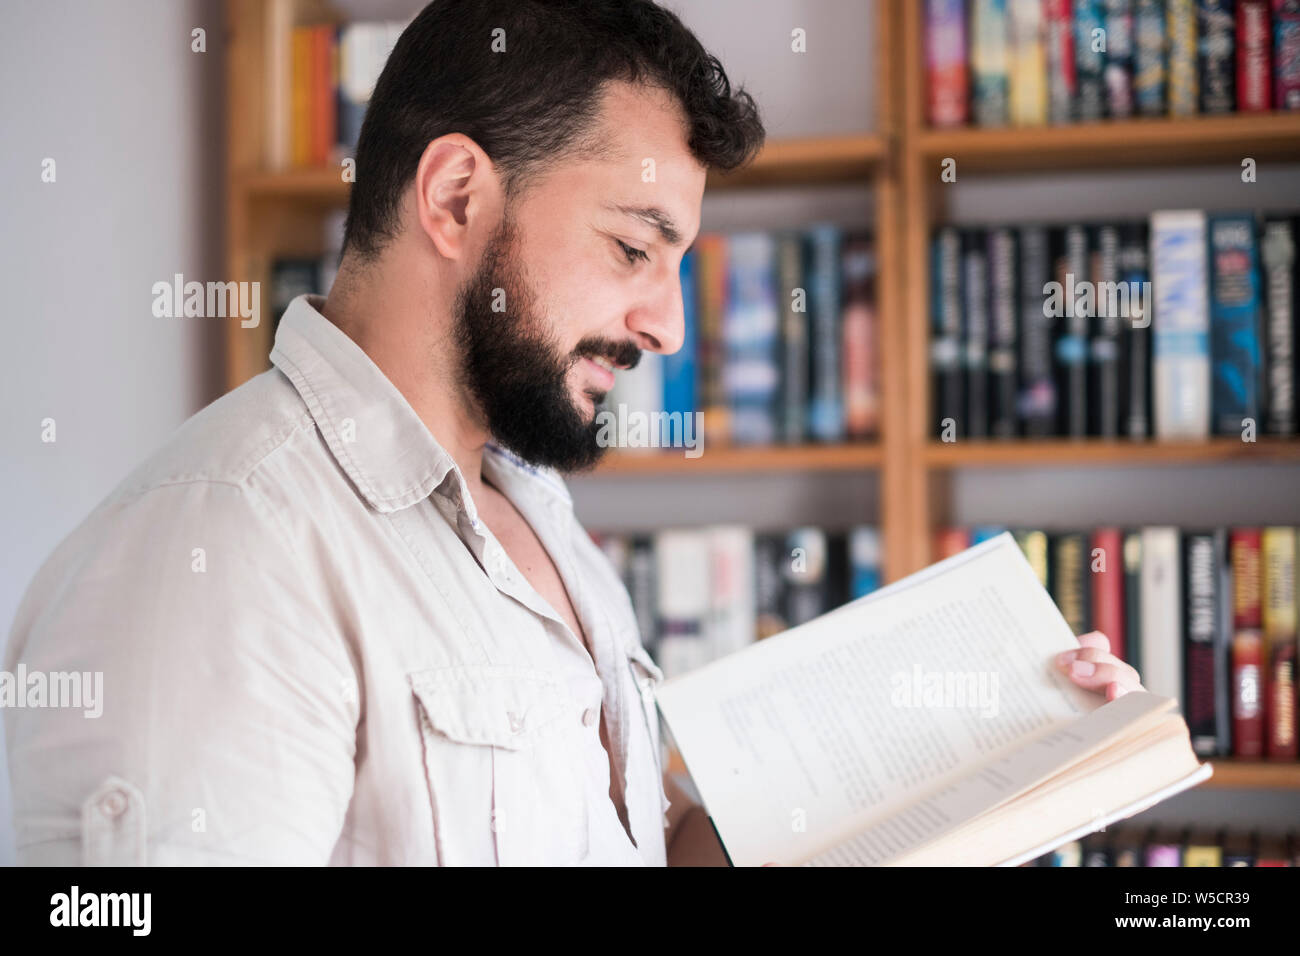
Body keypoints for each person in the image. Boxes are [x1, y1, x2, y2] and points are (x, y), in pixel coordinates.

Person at [4, 0, 1143, 866]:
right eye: (633, 248)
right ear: (454, 198)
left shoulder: (536, 515)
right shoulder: (218, 550)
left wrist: (970, 754)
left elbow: (636, 840)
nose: (666, 323)